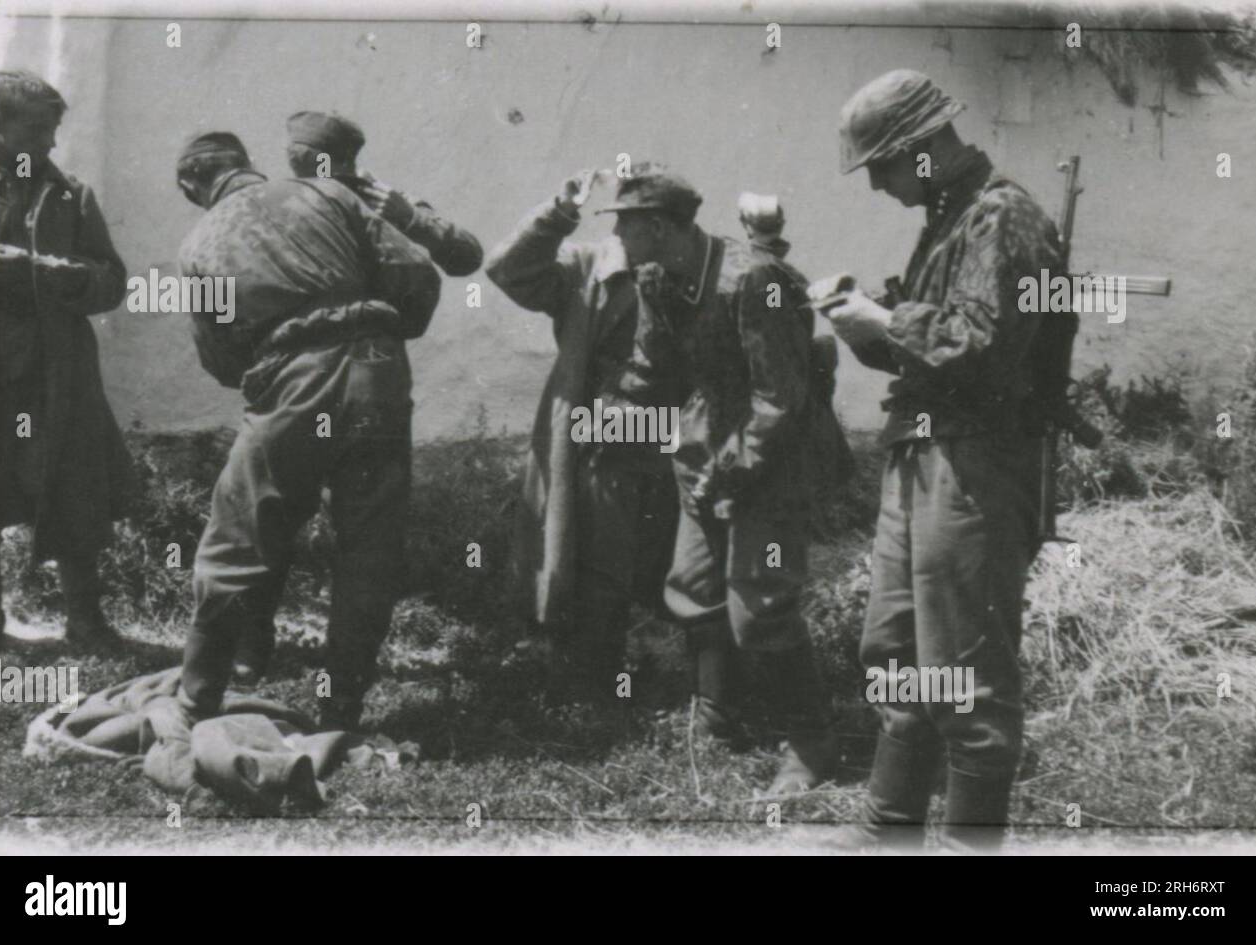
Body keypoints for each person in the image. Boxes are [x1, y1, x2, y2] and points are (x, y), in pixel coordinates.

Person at [822, 70, 1062, 850]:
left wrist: (888, 321)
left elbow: (985, 350)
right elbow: (936, 348)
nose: (879, 186)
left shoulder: (1005, 215)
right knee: (895, 651)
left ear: (920, 152)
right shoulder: (949, 215)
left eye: (883, 167)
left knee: (966, 673)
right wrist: (870, 325)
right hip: (922, 454)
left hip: (977, 465)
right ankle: (888, 831)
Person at [173, 131, 440, 731]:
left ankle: (197, 703)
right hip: (377, 373)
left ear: (194, 185)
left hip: (291, 384)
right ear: (248, 166)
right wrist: (383, 330)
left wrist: (278, 362)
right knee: (369, 545)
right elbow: (417, 271)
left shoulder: (197, 245)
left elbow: (219, 360)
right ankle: (340, 709)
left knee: (240, 536)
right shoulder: (326, 195)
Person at [608, 165, 837, 794]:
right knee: (694, 587)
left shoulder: (751, 278)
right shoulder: (656, 277)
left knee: (759, 604)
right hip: (706, 443)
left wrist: (729, 473)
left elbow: (781, 397)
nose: (618, 240)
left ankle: (811, 740)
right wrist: (611, 414)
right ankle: (718, 716)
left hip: (771, 453)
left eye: (625, 227)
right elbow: (652, 367)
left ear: (658, 226)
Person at [486, 168, 678, 701]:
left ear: (664, 226)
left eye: (638, 223)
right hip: (597, 435)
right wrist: (557, 214)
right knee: (596, 558)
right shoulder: (589, 267)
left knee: (669, 560)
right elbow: (508, 269)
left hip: (671, 437)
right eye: (621, 221)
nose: (624, 234)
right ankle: (592, 685)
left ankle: (675, 676)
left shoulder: (688, 273)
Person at [0, 69, 135, 652]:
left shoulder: (71, 196)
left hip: (56, 373)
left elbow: (113, 281)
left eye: (54, 129)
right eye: (38, 128)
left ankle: (86, 621)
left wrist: (54, 272)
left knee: (75, 491)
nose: (50, 142)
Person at [284, 111, 482, 277]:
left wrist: (411, 218)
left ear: (343, 163)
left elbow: (468, 259)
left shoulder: (379, 200)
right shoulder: (285, 210)